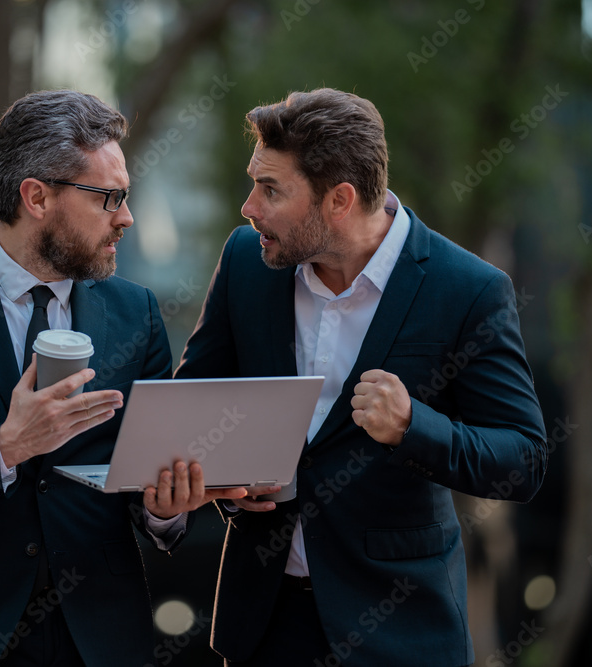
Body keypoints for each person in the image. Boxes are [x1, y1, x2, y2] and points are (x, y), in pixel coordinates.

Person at [0, 89, 243, 666]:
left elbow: (140, 484)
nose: (126, 217)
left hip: (98, 638)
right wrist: (5, 447)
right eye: (108, 198)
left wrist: (165, 508)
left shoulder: (138, 313)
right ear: (36, 197)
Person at [174, 88, 548, 666]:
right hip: (265, 627)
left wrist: (412, 427)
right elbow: (193, 407)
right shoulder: (248, 262)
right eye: (255, 182)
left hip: (400, 633)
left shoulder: (468, 290)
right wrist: (225, 478)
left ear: (339, 200)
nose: (249, 208)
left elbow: (522, 460)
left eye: (271, 189)